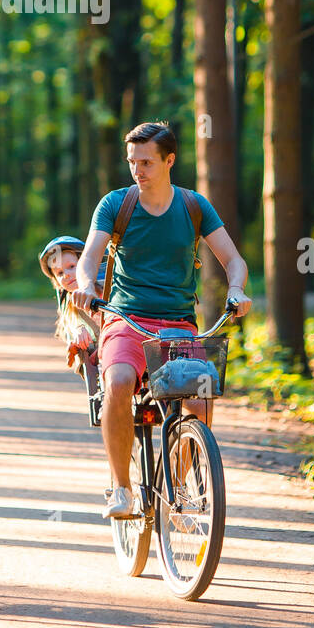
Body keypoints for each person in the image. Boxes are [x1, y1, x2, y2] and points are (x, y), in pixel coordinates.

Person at [71, 120, 252, 520]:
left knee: (200, 397)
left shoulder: (193, 206)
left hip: (178, 325)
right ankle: (121, 489)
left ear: (170, 160)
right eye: (133, 161)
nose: (138, 170)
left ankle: (179, 486)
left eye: (147, 162)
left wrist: (236, 290)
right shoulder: (116, 204)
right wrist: (86, 285)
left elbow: (233, 260)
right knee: (118, 381)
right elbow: (89, 259)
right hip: (125, 319)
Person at [38, 235, 104, 372]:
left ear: (85, 265)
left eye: (72, 267)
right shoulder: (69, 305)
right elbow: (69, 327)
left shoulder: (106, 289)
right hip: (97, 357)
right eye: (60, 273)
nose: (66, 275)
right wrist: (77, 331)